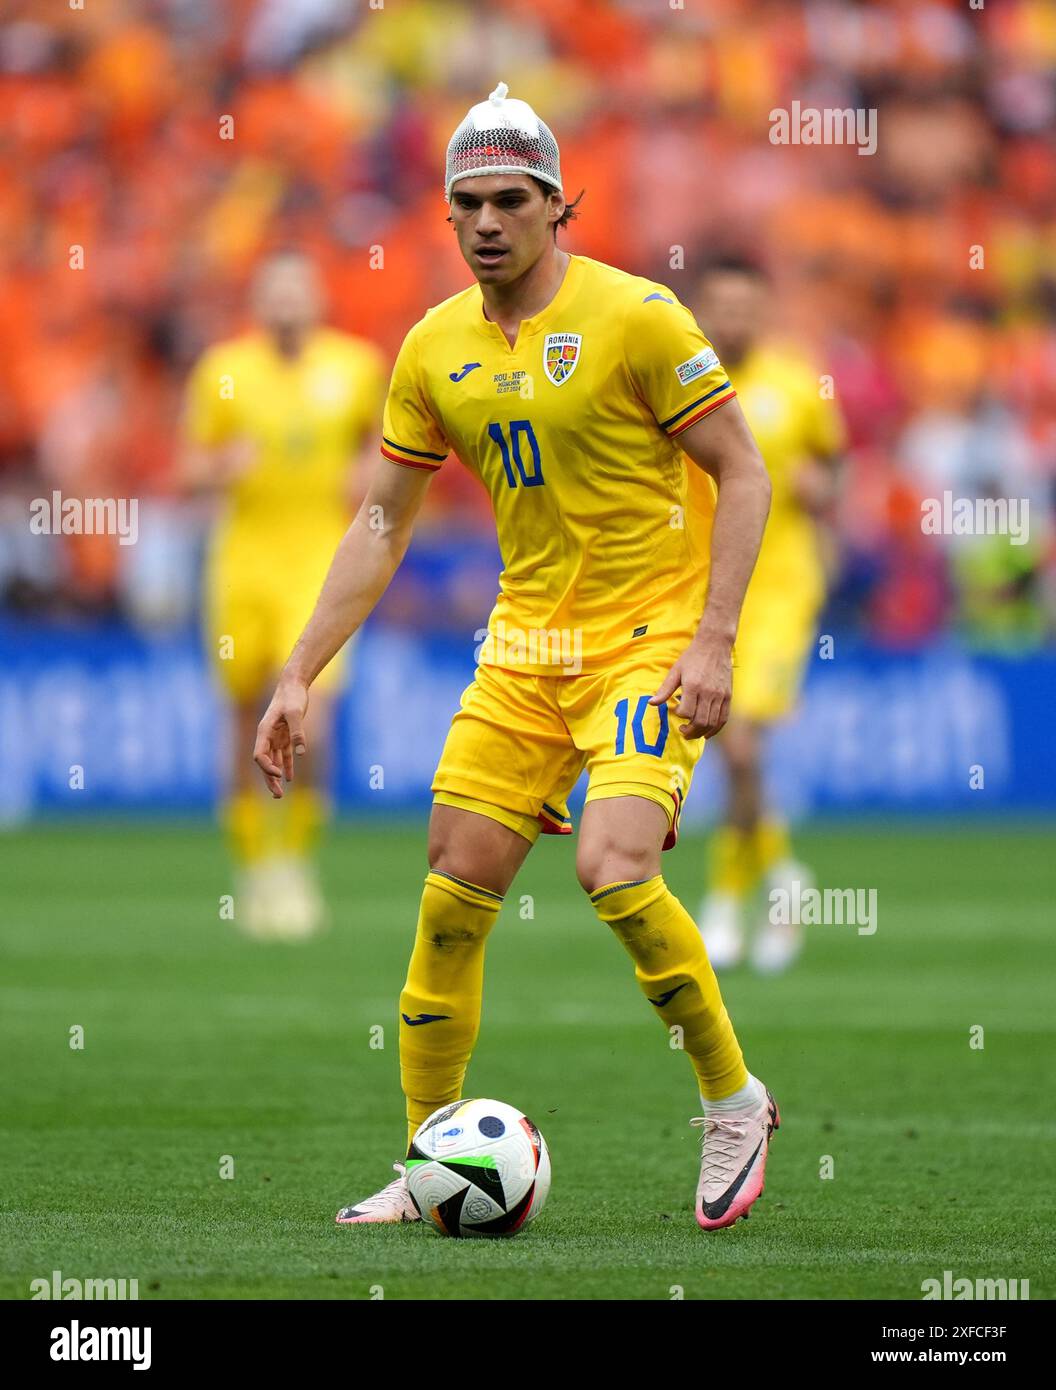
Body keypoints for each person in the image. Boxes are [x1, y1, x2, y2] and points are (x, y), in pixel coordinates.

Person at [254, 84, 777, 1230]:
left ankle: (733, 1099)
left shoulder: (640, 318)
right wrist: (301, 668)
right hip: (523, 651)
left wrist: (715, 637)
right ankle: (426, 1156)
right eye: (466, 204)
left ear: (556, 206)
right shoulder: (434, 346)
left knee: (614, 868)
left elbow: (746, 469)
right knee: (451, 895)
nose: (486, 221)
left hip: (645, 644)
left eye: (510, 200)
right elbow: (382, 520)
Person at [184, 251, 385, 939]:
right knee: (243, 721)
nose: (287, 304)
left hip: (319, 564)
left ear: (318, 299)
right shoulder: (224, 371)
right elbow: (189, 466)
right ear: (258, 301)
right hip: (242, 563)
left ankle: (296, 862)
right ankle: (253, 868)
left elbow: (386, 444)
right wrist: (220, 466)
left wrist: (365, 469)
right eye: (275, 292)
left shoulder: (354, 367)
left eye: (298, 291)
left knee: (311, 724)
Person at [693, 259, 846, 973]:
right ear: (702, 310)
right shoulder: (682, 380)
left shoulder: (797, 384)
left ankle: (725, 901)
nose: (733, 320)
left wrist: (823, 492)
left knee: (742, 742)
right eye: (720, 306)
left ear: (764, 311)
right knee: (727, 745)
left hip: (782, 588)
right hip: (708, 588)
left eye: (745, 306)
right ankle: (784, 878)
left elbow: (834, 465)